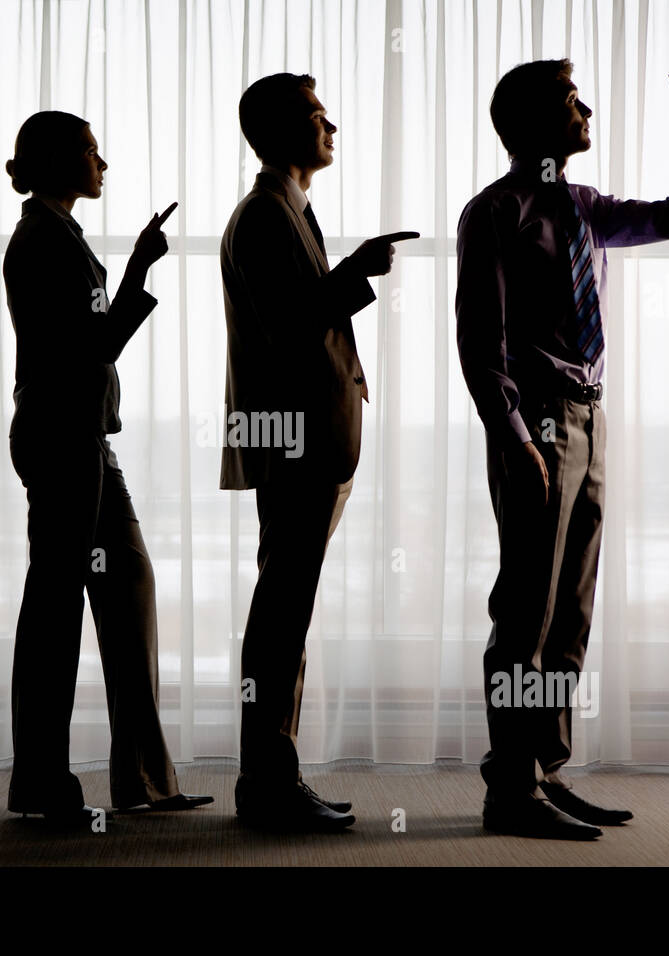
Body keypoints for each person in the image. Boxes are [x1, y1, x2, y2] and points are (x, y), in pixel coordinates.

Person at [456, 47, 669, 839]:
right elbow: (481, 344)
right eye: (573, 101)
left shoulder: (583, 205)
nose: (588, 113)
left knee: (570, 613)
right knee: (526, 615)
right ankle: (508, 789)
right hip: (535, 420)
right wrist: (513, 438)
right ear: (533, 119)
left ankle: (543, 770)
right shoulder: (496, 213)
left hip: (590, 416)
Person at [2, 110, 212, 824]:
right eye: (93, 150)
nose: (104, 162)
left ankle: (145, 781)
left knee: (126, 585)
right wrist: (141, 270)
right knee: (57, 609)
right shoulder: (43, 240)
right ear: (60, 158)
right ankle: (41, 786)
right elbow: (98, 345)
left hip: (83, 437)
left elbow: (91, 343)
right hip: (63, 437)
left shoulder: (57, 235)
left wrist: (133, 270)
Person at [220, 74, 417, 831]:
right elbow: (287, 327)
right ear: (275, 132)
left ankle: (273, 775)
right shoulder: (267, 216)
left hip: (308, 443)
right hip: (296, 442)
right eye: (312, 113)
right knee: (282, 615)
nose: (329, 121)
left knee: (286, 612)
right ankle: (267, 783)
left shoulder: (285, 210)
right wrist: (355, 274)